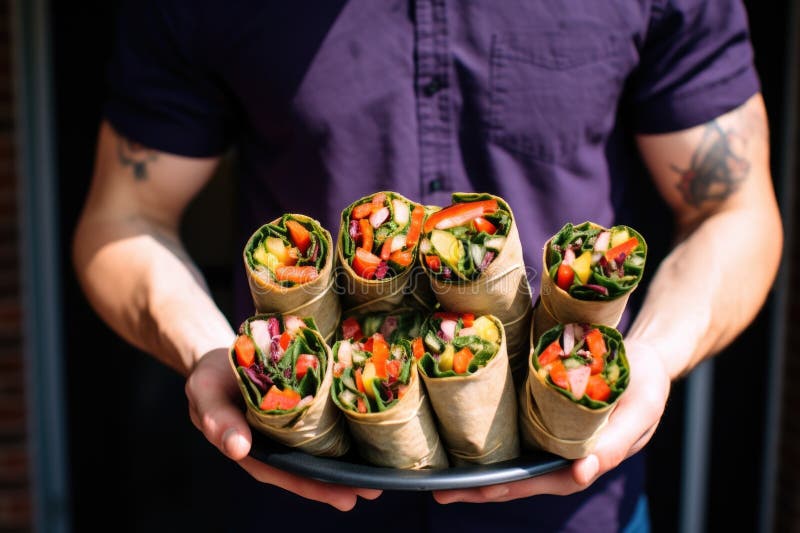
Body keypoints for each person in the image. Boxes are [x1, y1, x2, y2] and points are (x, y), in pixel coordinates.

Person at [72, 0, 782, 531]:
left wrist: (653, 354)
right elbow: (123, 217)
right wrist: (207, 349)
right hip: (294, 495)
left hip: (576, 507)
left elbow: (734, 210)